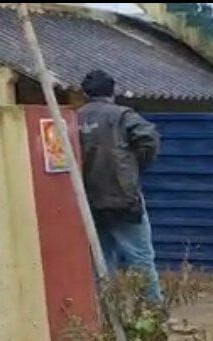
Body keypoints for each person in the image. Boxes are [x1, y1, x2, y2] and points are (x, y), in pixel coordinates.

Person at [77, 69, 164, 305]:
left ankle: (107, 313)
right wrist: (134, 165)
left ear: (85, 93)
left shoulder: (74, 118)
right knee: (141, 258)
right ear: (113, 91)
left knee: (102, 261)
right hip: (123, 198)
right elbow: (149, 138)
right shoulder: (121, 115)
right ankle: (153, 312)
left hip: (90, 201)